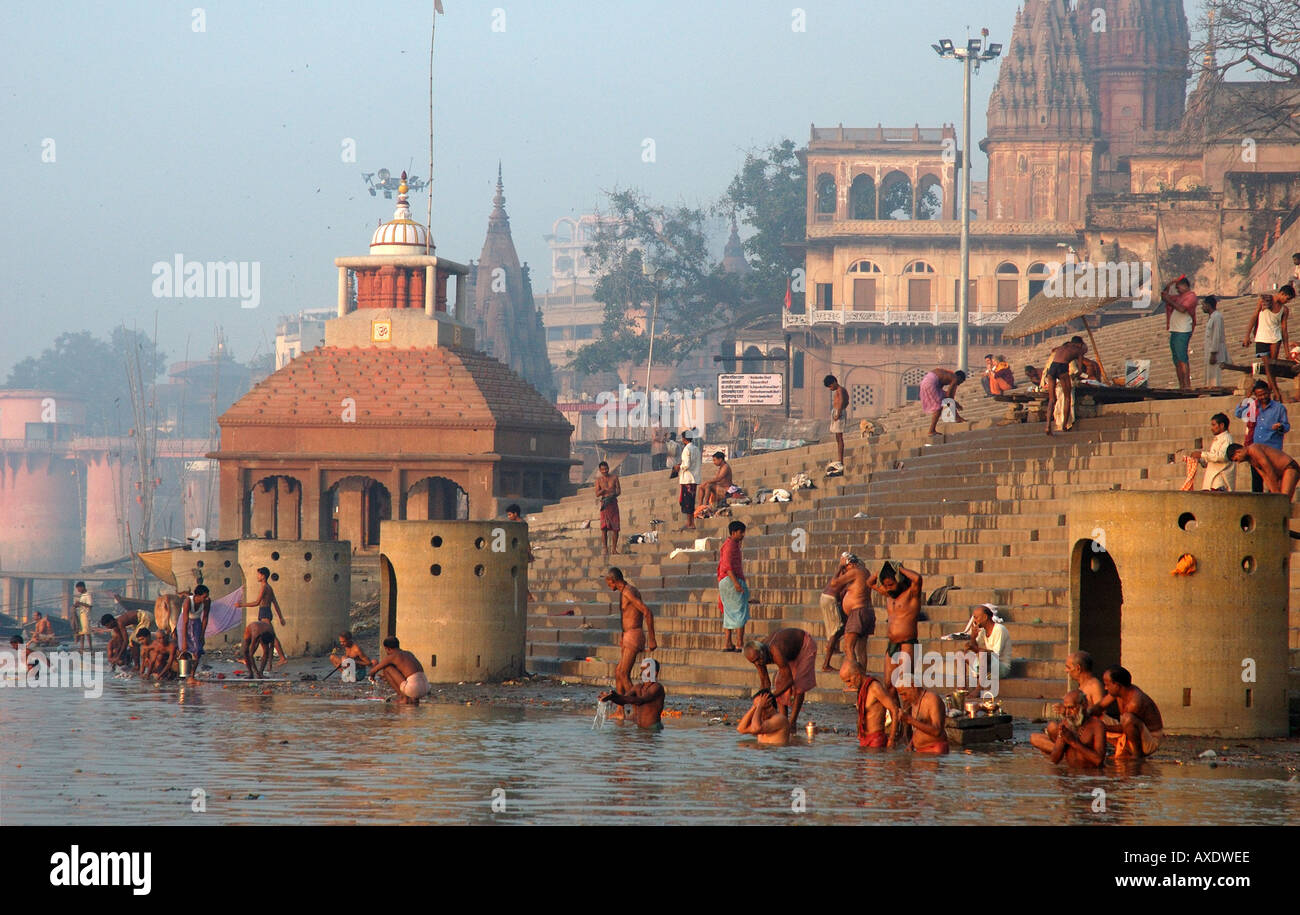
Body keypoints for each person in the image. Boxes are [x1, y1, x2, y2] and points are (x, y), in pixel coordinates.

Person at [743, 628, 816, 731]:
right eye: (753, 662)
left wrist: (772, 696)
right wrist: (761, 701)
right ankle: (783, 721)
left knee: (799, 684)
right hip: (789, 653)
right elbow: (765, 682)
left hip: (803, 645)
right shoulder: (757, 656)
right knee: (779, 683)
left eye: (758, 659)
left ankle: (792, 723)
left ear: (762, 652)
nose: (757, 663)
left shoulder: (775, 650)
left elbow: (789, 680)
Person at [867, 562, 922, 694]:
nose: (888, 588)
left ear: (899, 580)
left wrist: (899, 569)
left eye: (891, 584)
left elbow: (917, 579)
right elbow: (869, 583)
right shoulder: (888, 594)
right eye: (885, 585)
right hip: (892, 644)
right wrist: (882, 570)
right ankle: (896, 713)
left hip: (907, 644)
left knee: (906, 684)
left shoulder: (911, 594)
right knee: (889, 685)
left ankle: (908, 713)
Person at [1090, 665, 1163, 758]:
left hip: (1151, 740)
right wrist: (1083, 714)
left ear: (1117, 685)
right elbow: (1100, 707)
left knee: (1128, 718)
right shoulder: (1118, 692)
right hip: (1127, 730)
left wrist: (1103, 727)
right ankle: (1126, 750)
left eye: (1107, 684)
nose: (1105, 688)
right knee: (1094, 717)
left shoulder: (1135, 702)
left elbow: (1125, 726)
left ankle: (1136, 755)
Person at [605, 567, 657, 696]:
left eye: (608, 583)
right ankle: (620, 709)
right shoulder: (626, 591)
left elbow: (647, 612)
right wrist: (623, 636)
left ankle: (637, 707)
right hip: (628, 635)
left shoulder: (628, 592)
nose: (608, 585)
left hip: (634, 635)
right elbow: (627, 615)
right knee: (618, 672)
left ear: (613, 580)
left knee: (623, 673)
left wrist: (652, 639)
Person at [1235, 379, 1290, 491]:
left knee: (1273, 481)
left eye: (1265, 394)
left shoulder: (1279, 408)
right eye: (1259, 395)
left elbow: (1286, 426)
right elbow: (1238, 413)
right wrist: (1248, 396)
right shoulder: (1253, 406)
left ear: (1269, 392)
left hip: (1272, 450)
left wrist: (1280, 426)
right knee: (1256, 483)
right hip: (1255, 451)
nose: (1263, 397)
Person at [1029, 690, 1106, 767]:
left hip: (1092, 776)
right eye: (1065, 708)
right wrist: (1062, 740)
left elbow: (1098, 760)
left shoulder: (1097, 725)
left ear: (1084, 705)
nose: (1067, 713)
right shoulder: (1065, 724)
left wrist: (1073, 742)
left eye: (1071, 708)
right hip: (1070, 775)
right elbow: (1054, 760)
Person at [1242, 285, 1294, 400]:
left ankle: (1270, 391)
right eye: (1287, 298)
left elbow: (1284, 330)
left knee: (1272, 367)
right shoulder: (1265, 300)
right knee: (1268, 365)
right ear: (1282, 294)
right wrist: (1247, 336)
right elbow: (1254, 316)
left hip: (1275, 338)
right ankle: (1276, 393)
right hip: (1261, 337)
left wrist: (1287, 352)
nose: (1287, 301)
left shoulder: (1284, 310)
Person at [824, 553, 872, 671]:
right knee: (861, 650)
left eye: (846, 567)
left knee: (848, 647)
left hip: (857, 613)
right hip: (866, 612)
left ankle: (855, 677)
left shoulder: (855, 571)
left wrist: (840, 566)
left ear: (851, 564)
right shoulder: (864, 572)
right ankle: (862, 676)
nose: (846, 570)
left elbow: (834, 583)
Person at [840, 660, 899, 749]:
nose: (848, 685)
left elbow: (894, 710)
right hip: (864, 739)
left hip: (876, 739)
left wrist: (892, 739)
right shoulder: (862, 688)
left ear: (857, 674)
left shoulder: (875, 687)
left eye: (849, 681)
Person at [598, 657, 666, 730]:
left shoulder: (657, 687)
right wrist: (610, 697)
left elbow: (641, 701)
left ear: (654, 673)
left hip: (653, 730)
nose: (642, 672)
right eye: (642, 669)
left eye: (646, 669)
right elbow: (623, 700)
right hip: (640, 729)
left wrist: (616, 696)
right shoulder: (637, 687)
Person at [238, 567, 288, 663]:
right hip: (265, 612)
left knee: (271, 636)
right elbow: (275, 603)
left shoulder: (264, 587)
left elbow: (257, 602)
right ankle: (248, 658)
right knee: (258, 637)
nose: (257, 576)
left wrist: (241, 605)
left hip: (264, 612)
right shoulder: (269, 587)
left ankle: (282, 658)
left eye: (259, 575)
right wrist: (280, 617)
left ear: (263, 576)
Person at [1044, 337, 1088, 435]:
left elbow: (1053, 350)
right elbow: (1080, 371)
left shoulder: (1063, 346)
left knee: (1052, 399)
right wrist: (1074, 376)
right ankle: (1064, 426)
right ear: (1080, 344)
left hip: (1052, 368)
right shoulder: (1078, 350)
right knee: (1067, 398)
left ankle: (1047, 426)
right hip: (1062, 368)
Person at [1161, 275, 1197, 390]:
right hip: (1174, 330)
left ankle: (1187, 385)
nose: (1177, 290)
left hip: (1183, 330)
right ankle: (1181, 385)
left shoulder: (1191, 296)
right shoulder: (1178, 297)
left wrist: (1169, 300)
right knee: (1176, 360)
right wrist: (1171, 282)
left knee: (1183, 358)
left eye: (1178, 287)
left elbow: (1182, 309)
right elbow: (1164, 295)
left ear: (1185, 286)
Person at [368, 636, 430, 705]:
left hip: (413, 688)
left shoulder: (392, 656)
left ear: (387, 648)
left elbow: (373, 671)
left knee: (387, 668)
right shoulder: (409, 653)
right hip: (426, 687)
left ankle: (404, 698)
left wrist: (372, 678)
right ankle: (414, 699)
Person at [896, 674, 948, 754]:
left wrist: (910, 720)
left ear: (913, 686)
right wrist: (911, 744)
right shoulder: (914, 702)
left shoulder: (932, 699)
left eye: (904, 694)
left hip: (934, 750)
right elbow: (918, 729)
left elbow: (937, 731)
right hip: (920, 751)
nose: (903, 698)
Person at [717, 521, 749, 652]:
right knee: (740, 612)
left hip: (725, 581)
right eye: (741, 532)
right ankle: (739, 643)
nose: (743, 535)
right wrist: (736, 583)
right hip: (731, 580)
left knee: (729, 612)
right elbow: (727, 566)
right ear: (734, 532)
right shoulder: (730, 546)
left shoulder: (731, 544)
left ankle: (727, 643)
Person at [1227, 441, 1300, 498]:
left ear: (1238, 452)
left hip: (1289, 468)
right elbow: (1265, 476)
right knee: (1279, 500)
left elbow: (1269, 469)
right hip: (1279, 475)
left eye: (1236, 459)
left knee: (1284, 498)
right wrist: (1275, 491)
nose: (1239, 462)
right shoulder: (1251, 460)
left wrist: (1276, 492)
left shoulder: (1253, 449)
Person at [1186, 413, 1235, 491]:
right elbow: (1211, 460)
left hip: (1220, 480)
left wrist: (1201, 454)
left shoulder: (1227, 439)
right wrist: (1199, 460)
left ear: (1221, 425)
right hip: (1211, 480)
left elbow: (1222, 457)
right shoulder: (1217, 439)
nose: (1211, 428)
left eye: (1213, 425)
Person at [965, 603, 1012, 681]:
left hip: (1000, 667)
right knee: (961, 654)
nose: (975, 621)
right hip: (986, 663)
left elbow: (995, 654)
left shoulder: (999, 629)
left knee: (983, 654)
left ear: (985, 617)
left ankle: (978, 690)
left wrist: (976, 649)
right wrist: (973, 637)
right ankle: (961, 690)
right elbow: (975, 648)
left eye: (976, 618)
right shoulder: (982, 631)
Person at [818, 560, 848, 671]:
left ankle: (833, 646)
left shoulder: (838, 574)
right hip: (831, 600)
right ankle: (826, 664)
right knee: (836, 630)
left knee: (836, 627)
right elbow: (841, 594)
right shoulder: (845, 577)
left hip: (824, 598)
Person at [176, 585, 210, 677]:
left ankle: (192, 675)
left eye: (207, 596)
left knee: (197, 650)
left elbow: (205, 618)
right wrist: (184, 641)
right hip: (183, 624)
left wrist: (202, 635)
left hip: (196, 624)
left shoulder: (207, 601)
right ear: (197, 595)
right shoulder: (187, 601)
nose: (206, 598)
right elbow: (185, 622)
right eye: (204, 597)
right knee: (183, 650)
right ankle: (182, 674)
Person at [920, 368, 966, 436]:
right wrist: (956, 404)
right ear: (959, 377)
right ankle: (931, 430)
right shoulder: (955, 379)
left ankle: (957, 418)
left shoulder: (947, 374)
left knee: (942, 399)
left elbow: (945, 396)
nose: (958, 384)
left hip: (924, 382)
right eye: (960, 382)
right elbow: (949, 397)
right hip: (930, 384)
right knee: (939, 407)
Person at [594, 461, 621, 556]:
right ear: (600, 470)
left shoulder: (614, 477)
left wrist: (613, 494)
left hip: (613, 503)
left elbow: (619, 491)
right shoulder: (598, 480)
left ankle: (614, 549)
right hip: (604, 504)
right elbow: (597, 494)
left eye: (606, 469)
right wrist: (604, 490)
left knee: (616, 528)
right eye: (603, 469)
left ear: (609, 468)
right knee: (604, 528)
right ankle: (605, 548)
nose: (605, 471)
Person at [677, 430, 701, 531]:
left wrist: (679, 467)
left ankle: (690, 523)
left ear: (684, 439)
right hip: (694, 479)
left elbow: (686, 465)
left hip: (687, 479)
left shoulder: (687, 449)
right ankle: (690, 523)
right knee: (690, 501)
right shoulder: (696, 449)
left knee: (687, 502)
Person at [824, 374, 849, 467]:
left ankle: (840, 460)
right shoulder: (840, 390)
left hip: (839, 413)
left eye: (830, 386)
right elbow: (847, 401)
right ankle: (839, 459)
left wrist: (839, 413)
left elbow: (843, 401)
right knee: (837, 437)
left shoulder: (840, 390)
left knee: (839, 437)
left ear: (834, 382)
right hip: (837, 412)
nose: (830, 389)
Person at [1202, 296, 1227, 387]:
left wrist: (1213, 353)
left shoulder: (1217, 317)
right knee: (1210, 376)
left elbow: (1217, 336)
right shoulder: (1212, 317)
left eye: (1203, 305)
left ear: (1208, 305)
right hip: (1210, 352)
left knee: (1215, 377)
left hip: (1215, 354)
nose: (1202, 307)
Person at [71, 582, 93, 651]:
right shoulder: (82, 595)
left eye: (78, 589)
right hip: (81, 614)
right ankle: (82, 648)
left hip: (86, 615)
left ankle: (90, 648)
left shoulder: (88, 595)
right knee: (81, 632)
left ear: (82, 587)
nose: (78, 590)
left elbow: (90, 605)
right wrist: (76, 605)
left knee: (87, 632)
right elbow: (82, 605)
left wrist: (80, 603)